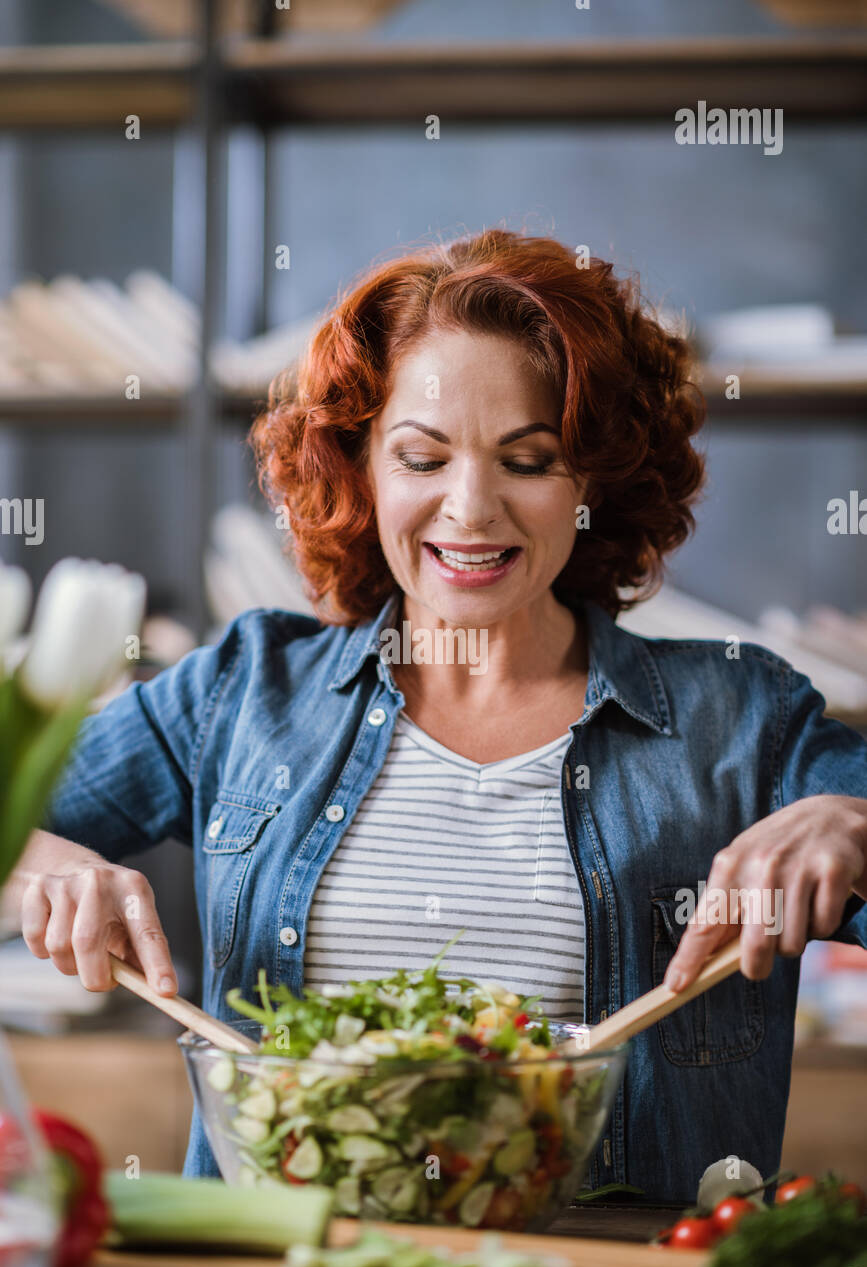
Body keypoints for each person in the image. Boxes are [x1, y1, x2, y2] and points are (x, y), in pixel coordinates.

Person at [8, 230, 867, 1202]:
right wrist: (37, 861)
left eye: (529, 460)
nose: (471, 508)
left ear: (593, 479)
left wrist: (850, 824)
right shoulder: (243, 691)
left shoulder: (742, 717)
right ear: (360, 465)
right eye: (422, 456)